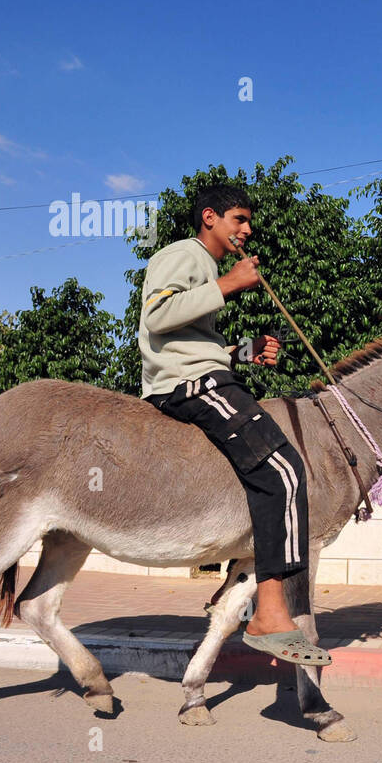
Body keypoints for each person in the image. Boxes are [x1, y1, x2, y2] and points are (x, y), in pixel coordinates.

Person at [139, 184, 329, 666]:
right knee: (284, 468)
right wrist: (229, 284)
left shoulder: (202, 266)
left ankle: (262, 602)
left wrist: (244, 352)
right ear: (209, 217)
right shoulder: (185, 253)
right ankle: (268, 611)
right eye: (238, 220)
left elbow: (192, 343)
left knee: (278, 468)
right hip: (187, 385)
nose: (246, 230)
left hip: (201, 372)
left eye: (247, 223)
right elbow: (157, 317)